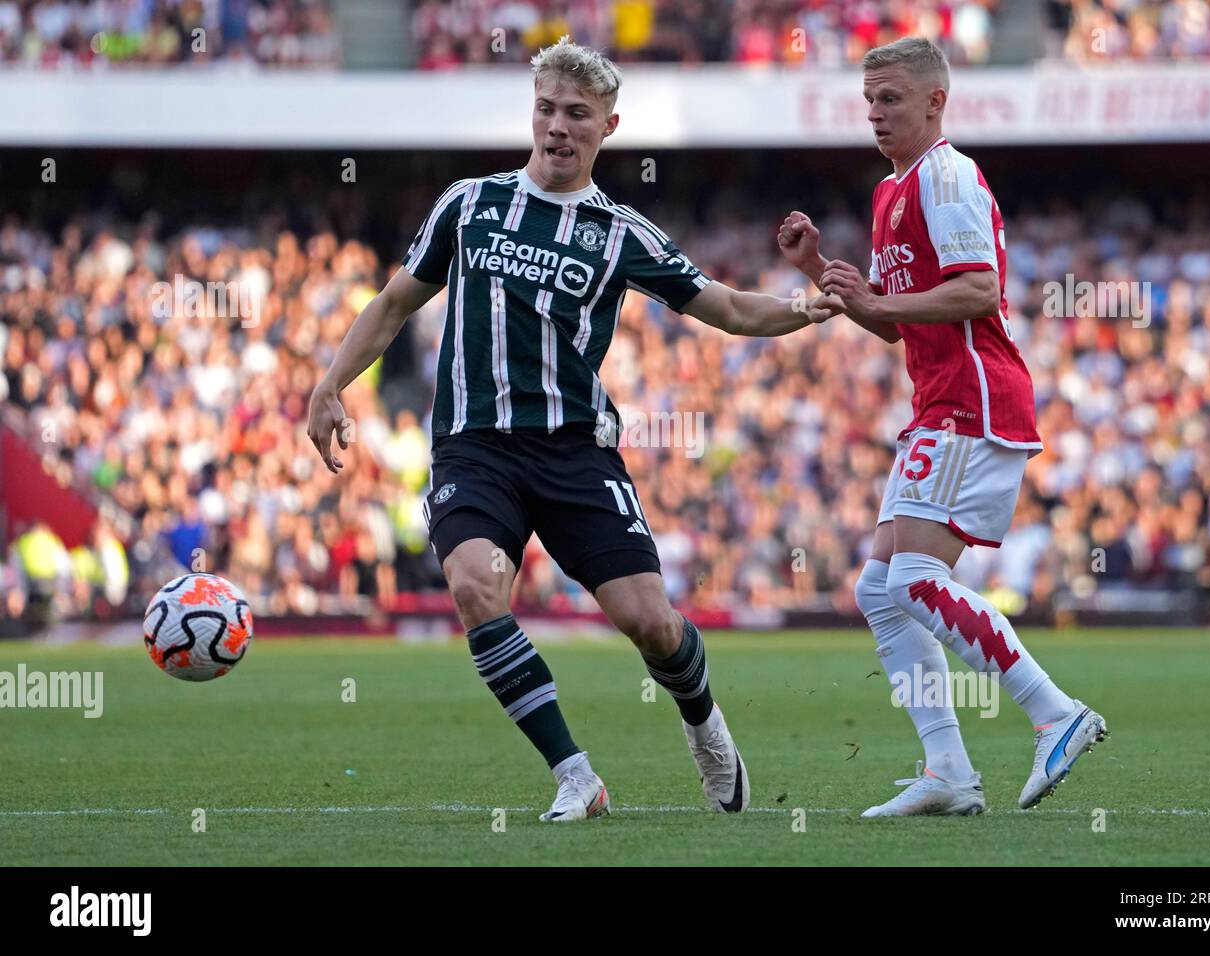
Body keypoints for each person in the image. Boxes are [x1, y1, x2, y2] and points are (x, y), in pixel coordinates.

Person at [308, 36, 832, 821]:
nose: (557, 127)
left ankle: (706, 727)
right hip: (473, 449)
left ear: (607, 127)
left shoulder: (621, 233)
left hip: (576, 453)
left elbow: (723, 305)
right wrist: (328, 385)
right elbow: (390, 307)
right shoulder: (469, 204)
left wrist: (804, 305)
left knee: (650, 624)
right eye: (547, 108)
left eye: (577, 115)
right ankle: (576, 776)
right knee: (474, 585)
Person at [778, 36, 1108, 816]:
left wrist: (882, 302)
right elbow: (896, 328)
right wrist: (817, 272)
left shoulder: (948, 175)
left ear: (935, 101)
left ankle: (1056, 712)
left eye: (890, 99)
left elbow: (977, 292)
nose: (875, 114)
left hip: (975, 401)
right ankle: (950, 772)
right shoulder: (891, 191)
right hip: (938, 404)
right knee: (881, 587)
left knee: (915, 580)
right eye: (868, 101)